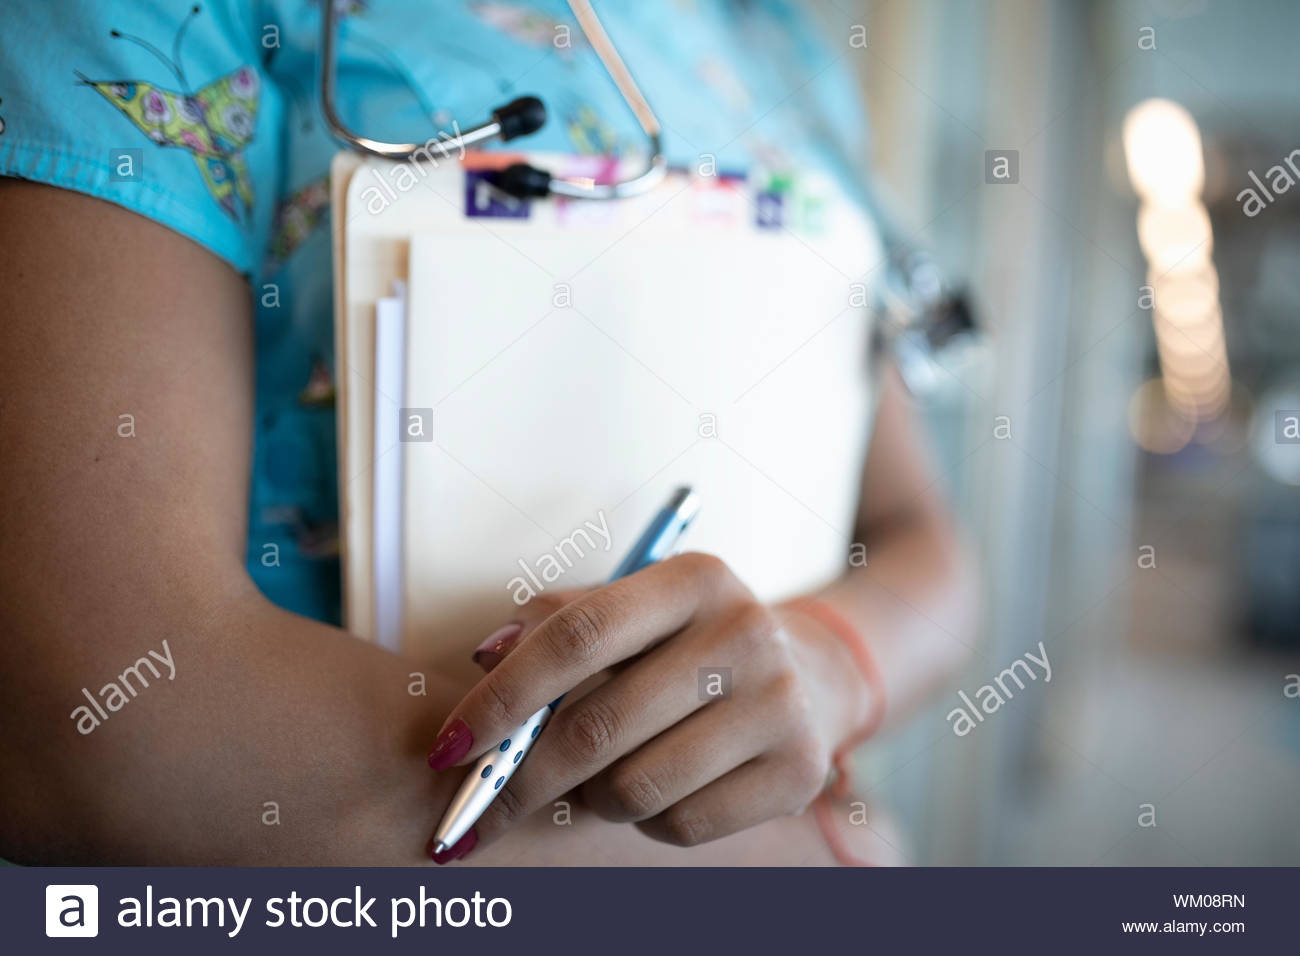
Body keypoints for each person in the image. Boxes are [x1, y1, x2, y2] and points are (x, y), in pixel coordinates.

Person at [0, 0, 976, 865]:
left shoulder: (776, 42)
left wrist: (828, 666)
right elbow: (101, 737)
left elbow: (915, 536)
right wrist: (789, 854)